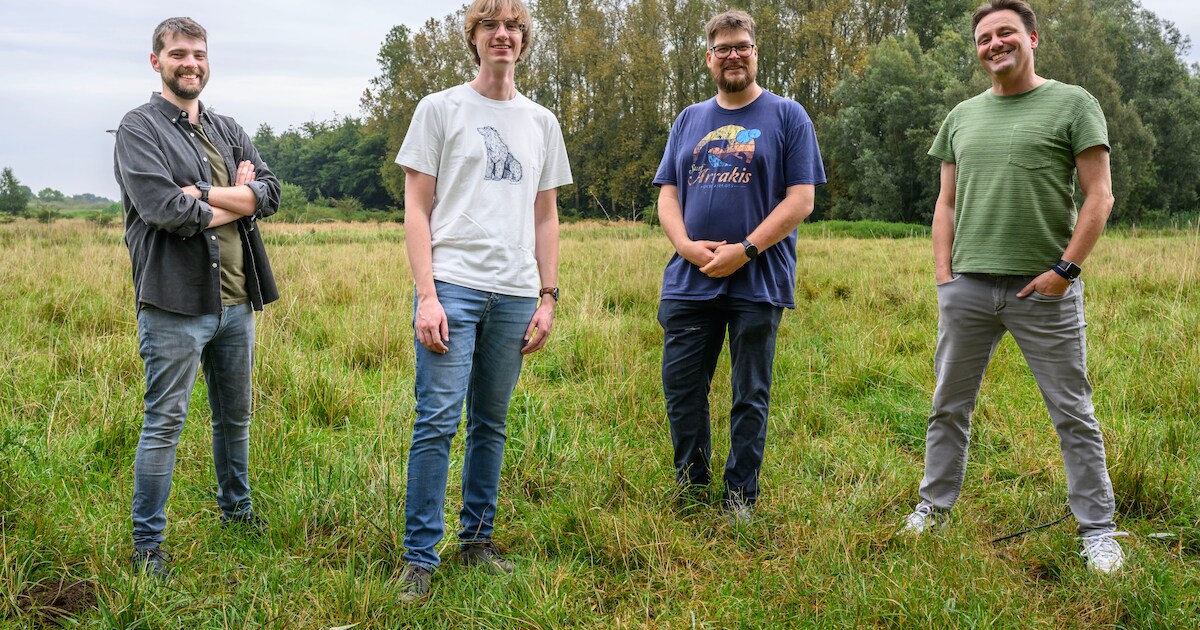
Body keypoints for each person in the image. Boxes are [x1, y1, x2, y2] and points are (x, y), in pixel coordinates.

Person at [898, 0, 1125, 574]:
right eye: (984, 38)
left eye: (1006, 34)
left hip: (1044, 291)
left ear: (1032, 38)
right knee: (948, 405)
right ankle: (933, 507)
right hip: (968, 288)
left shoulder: (1075, 104)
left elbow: (1100, 197)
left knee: (1072, 412)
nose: (994, 44)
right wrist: (944, 276)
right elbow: (945, 203)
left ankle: (1098, 532)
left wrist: (1065, 271)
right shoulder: (962, 116)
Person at [392, 0, 572, 602]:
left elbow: (546, 217)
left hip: (517, 292)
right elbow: (417, 208)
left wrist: (547, 297)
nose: (503, 35)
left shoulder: (542, 122)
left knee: (490, 424)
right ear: (473, 38)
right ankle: (420, 557)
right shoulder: (440, 109)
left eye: (514, 27)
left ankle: (477, 541)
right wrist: (427, 295)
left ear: (524, 41)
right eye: (491, 26)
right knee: (438, 420)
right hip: (455, 286)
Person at [114, 17, 279, 579]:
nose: (191, 63)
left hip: (235, 303)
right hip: (174, 303)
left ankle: (237, 512)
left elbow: (272, 192)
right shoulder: (139, 129)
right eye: (179, 53)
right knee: (165, 422)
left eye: (199, 54)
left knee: (235, 419)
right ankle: (148, 547)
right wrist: (242, 196)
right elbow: (167, 210)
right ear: (156, 61)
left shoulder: (227, 127)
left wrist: (209, 192)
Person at [653, 10, 825, 525]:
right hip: (689, 279)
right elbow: (667, 193)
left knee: (749, 393)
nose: (733, 54)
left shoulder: (788, 116)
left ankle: (739, 499)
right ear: (709, 58)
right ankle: (691, 484)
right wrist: (685, 246)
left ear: (755, 53)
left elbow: (801, 200)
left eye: (742, 46)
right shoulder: (688, 119)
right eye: (723, 47)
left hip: (758, 278)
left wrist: (745, 250)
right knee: (683, 389)